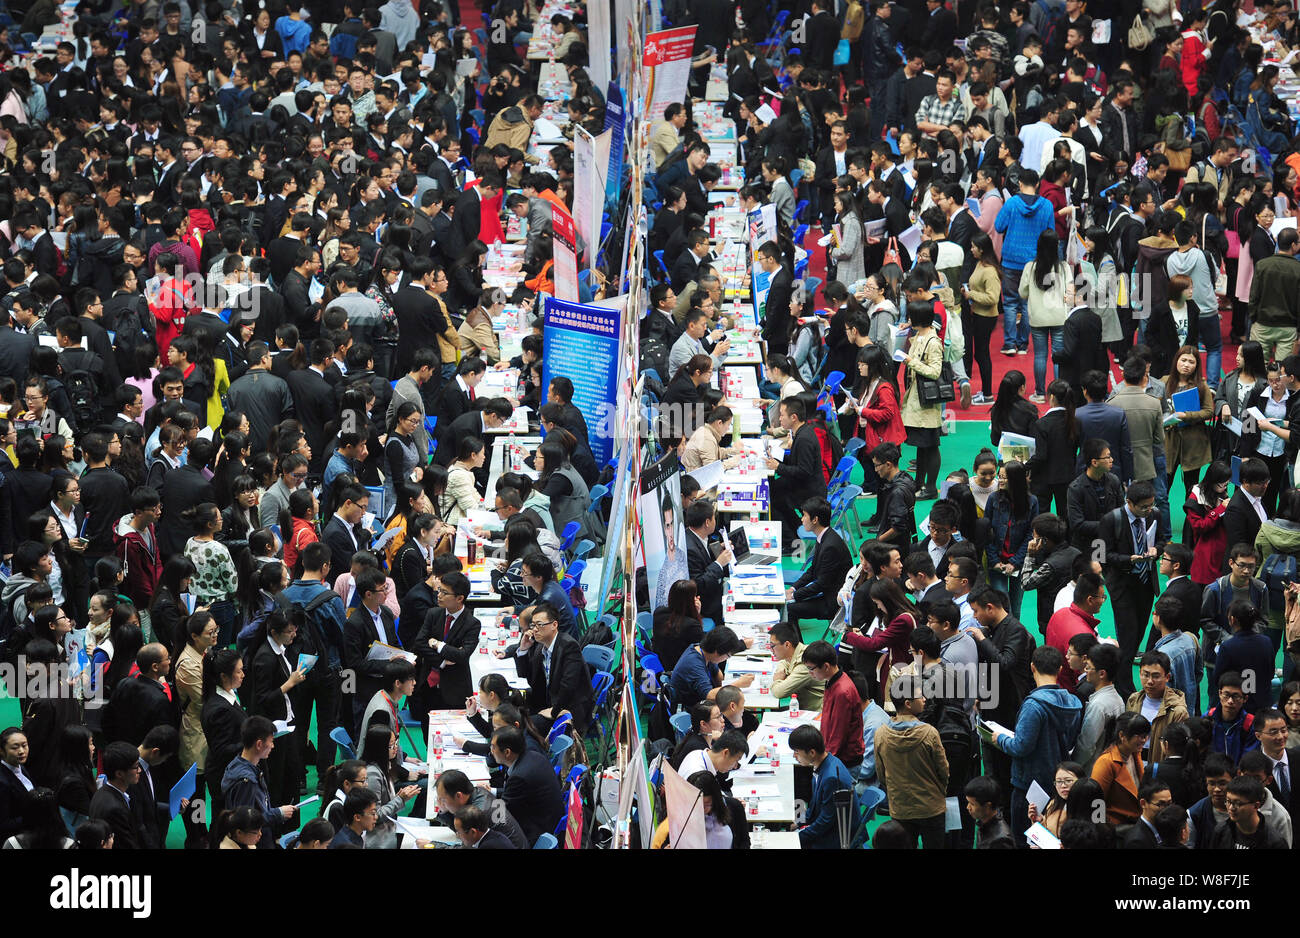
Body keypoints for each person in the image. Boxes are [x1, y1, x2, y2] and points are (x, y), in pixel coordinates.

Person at [987, 645, 1082, 844]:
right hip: (1057, 783)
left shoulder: (1033, 706)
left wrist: (999, 739)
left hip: (1029, 786)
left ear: (1032, 667)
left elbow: (1020, 746)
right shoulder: (1072, 703)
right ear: (1060, 670)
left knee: (1025, 840)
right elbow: (1071, 740)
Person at [1098, 481, 1163, 698]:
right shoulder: (1111, 520)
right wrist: (1128, 559)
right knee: (1127, 637)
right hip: (1122, 585)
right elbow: (1101, 555)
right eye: (1143, 507)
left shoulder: (1155, 515)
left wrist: (1157, 549)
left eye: (1151, 505)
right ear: (1129, 503)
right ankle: (1124, 689)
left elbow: (1163, 539)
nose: (1148, 511)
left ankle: (1121, 677)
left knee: (1137, 635)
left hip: (1145, 584)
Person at [874, 673, 949, 848]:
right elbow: (943, 771)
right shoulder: (929, 733)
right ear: (908, 704)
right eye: (919, 695)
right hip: (931, 807)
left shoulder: (881, 734)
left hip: (901, 807)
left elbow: (881, 774)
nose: (924, 699)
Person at [513, 601, 594, 733]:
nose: (535, 629)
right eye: (533, 625)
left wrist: (553, 711)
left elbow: (568, 687)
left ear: (554, 625)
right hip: (546, 701)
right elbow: (526, 677)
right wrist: (523, 650)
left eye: (540, 625)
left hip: (567, 709)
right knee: (508, 700)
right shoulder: (540, 647)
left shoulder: (569, 647)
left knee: (522, 727)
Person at [791, 724, 865, 849]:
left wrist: (798, 837)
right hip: (829, 826)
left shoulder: (831, 778)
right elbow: (814, 806)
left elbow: (825, 821)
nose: (794, 756)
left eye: (797, 752)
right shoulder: (826, 763)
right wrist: (798, 823)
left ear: (812, 752)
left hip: (838, 837)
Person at [490, 725, 564, 847]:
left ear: (507, 752)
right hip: (547, 820)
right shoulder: (533, 756)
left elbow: (500, 817)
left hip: (536, 832)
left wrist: (482, 806)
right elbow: (516, 794)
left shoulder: (519, 776)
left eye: (493, 747)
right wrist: (492, 792)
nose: (491, 751)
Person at [785, 497, 852, 623]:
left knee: (789, 609)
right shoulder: (824, 537)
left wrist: (794, 596)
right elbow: (812, 570)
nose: (802, 519)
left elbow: (821, 584)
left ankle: (796, 643)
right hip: (826, 592)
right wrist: (793, 589)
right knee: (789, 604)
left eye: (804, 515)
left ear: (815, 520)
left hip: (832, 601)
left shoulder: (830, 546)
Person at [802, 640, 865, 769]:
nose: (810, 673)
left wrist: (822, 763)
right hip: (834, 756)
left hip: (843, 762)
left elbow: (838, 735)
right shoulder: (831, 681)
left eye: (811, 668)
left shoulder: (842, 691)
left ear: (825, 666)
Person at [1126, 650, 1190, 765]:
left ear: (1167, 677)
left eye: (1156, 676)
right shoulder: (1133, 700)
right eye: (1145, 675)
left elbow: (1178, 752)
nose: (1150, 681)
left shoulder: (1177, 711)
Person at [1090, 711, 1152, 825]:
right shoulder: (1105, 763)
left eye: (1146, 736)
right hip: (1115, 829)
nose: (1144, 740)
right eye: (1140, 736)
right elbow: (1096, 802)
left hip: (1136, 823)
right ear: (1122, 735)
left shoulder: (1135, 753)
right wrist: (1101, 832)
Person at [1210, 775, 1287, 849]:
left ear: (1256, 806)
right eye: (1228, 801)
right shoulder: (1220, 832)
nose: (1231, 808)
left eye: (1237, 803)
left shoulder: (1274, 842)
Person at [768, 622, 826, 710]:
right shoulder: (797, 650)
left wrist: (777, 680)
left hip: (814, 714)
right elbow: (783, 662)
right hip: (802, 708)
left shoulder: (805, 663)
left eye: (772, 646)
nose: (770, 649)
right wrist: (781, 672)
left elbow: (779, 692)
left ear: (787, 644)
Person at [964, 776, 1016, 849]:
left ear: (987, 806)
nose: (968, 807)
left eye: (972, 804)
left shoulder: (1001, 841)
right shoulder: (984, 823)